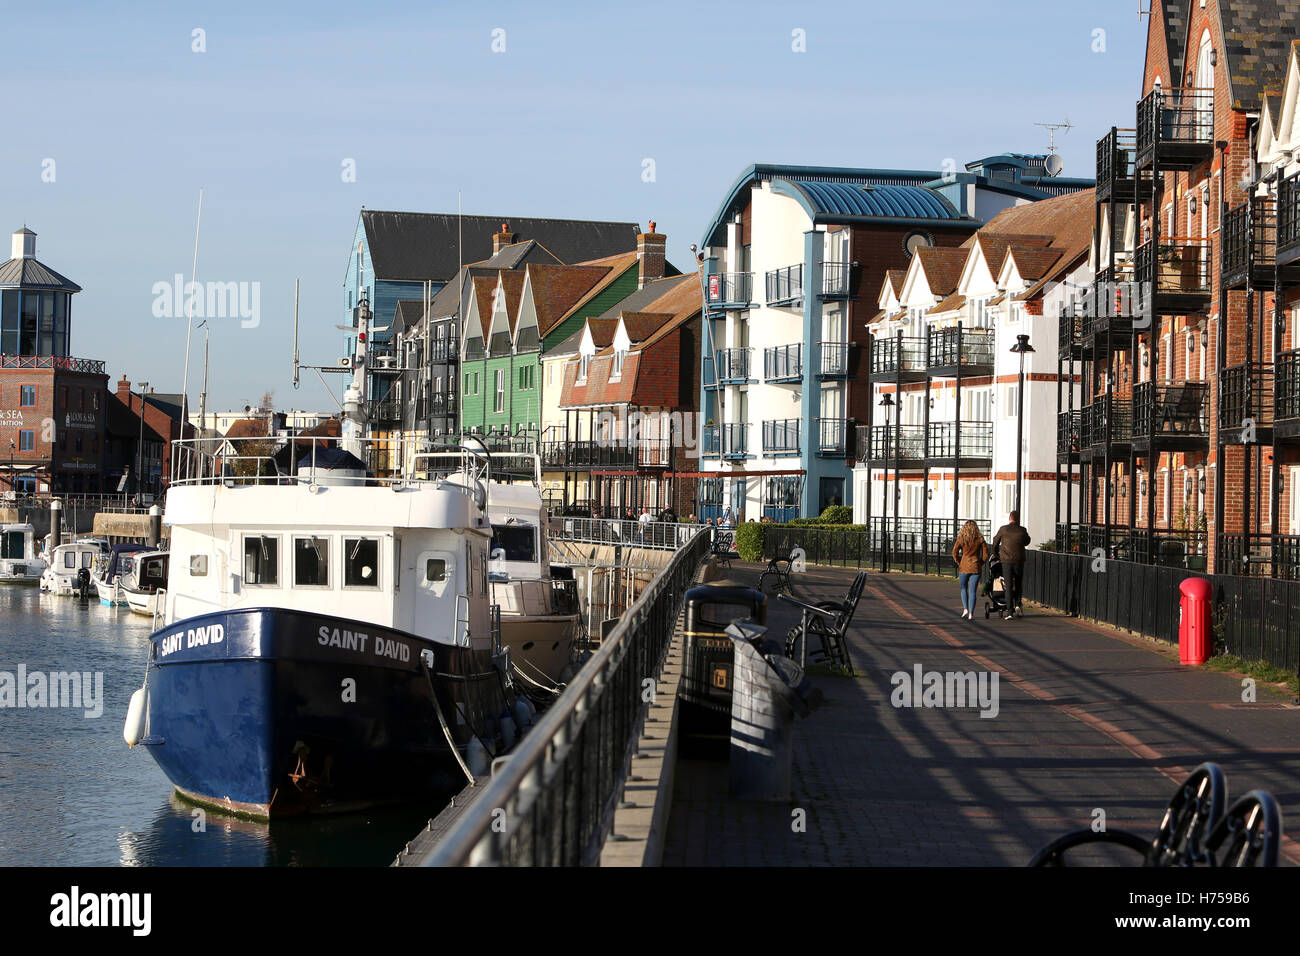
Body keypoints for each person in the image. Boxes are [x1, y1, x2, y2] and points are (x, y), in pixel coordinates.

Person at [991, 510, 1031, 620]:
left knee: (1008, 585)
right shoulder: (1022, 530)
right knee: (1018, 583)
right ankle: (1018, 604)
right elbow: (1027, 541)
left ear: (1010, 518)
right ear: (1018, 519)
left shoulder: (1003, 529)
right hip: (1019, 560)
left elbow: (995, 541)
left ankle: (1009, 612)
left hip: (1006, 561)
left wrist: (996, 554)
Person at [951, 520, 989, 621]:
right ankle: (971, 613)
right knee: (972, 591)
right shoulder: (980, 539)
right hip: (975, 566)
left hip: (964, 566)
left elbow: (954, 552)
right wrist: (980, 563)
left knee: (963, 588)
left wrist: (959, 561)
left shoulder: (961, 538)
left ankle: (965, 609)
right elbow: (986, 555)